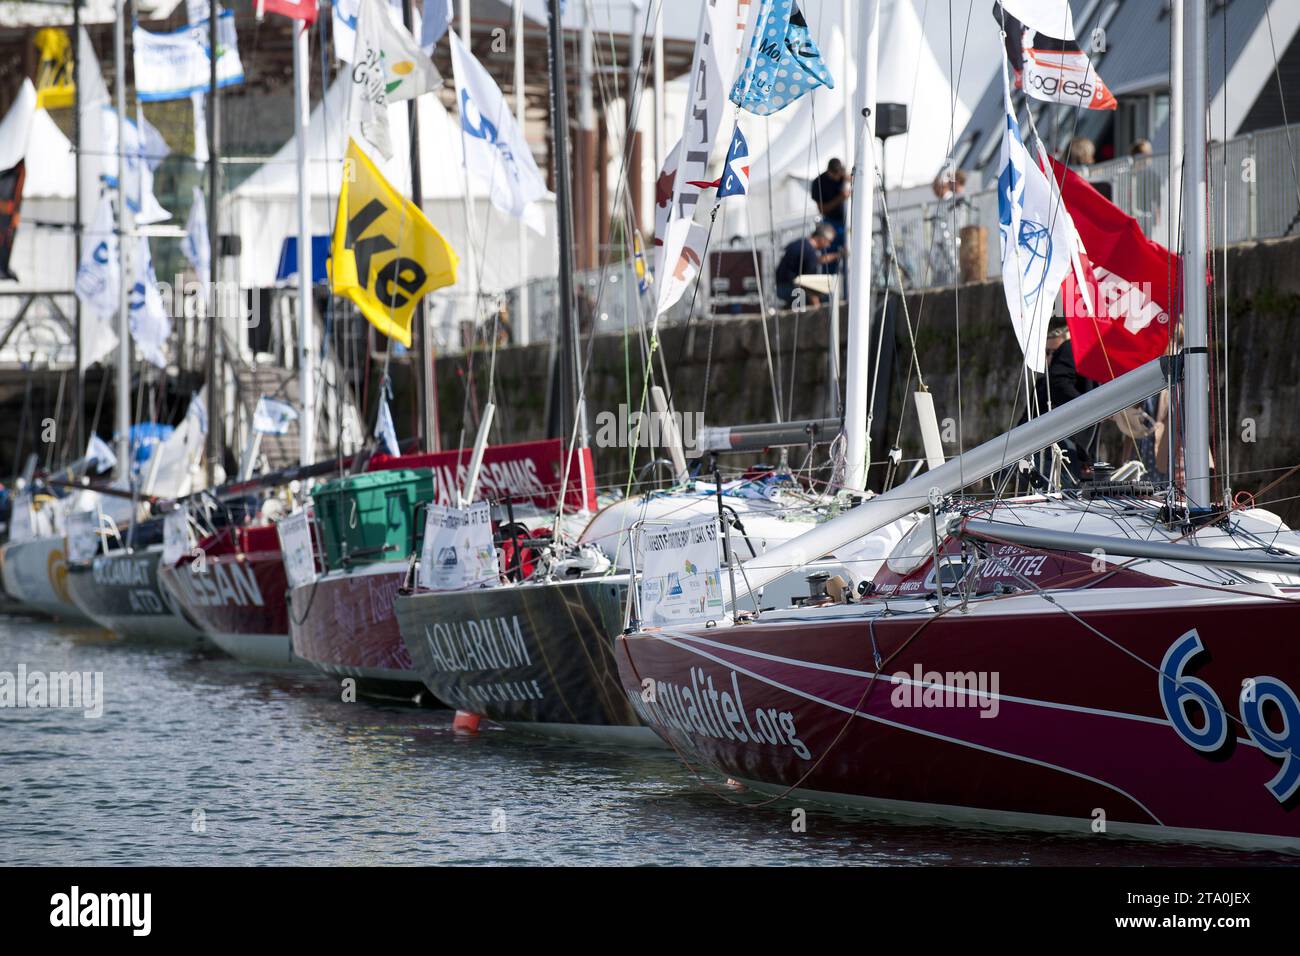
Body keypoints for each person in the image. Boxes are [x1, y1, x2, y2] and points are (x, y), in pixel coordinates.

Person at [1035, 325, 1099, 478]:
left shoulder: (1082, 382)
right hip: (1047, 458)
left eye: (1056, 353)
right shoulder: (1042, 384)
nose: (1050, 357)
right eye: (1046, 352)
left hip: (1069, 458)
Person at [775, 224, 840, 309]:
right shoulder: (810, 254)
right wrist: (817, 308)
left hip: (780, 287)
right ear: (821, 239)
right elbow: (809, 286)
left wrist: (837, 255)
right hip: (791, 290)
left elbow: (818, 260)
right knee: (826, 297)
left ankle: (789, 308)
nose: (828, 245)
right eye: (829, 241)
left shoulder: (800, 244)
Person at [810, 159, 851, 258]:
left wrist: (848, 178)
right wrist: (840, 198)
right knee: (829, 252)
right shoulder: (818, 183)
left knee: (849, 252)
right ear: (829, 171)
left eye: (839, 173)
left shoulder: (844, 178)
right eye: (835, 174)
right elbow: (822, 209)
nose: (837, 177)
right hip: (830, 222)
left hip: (848, 220)